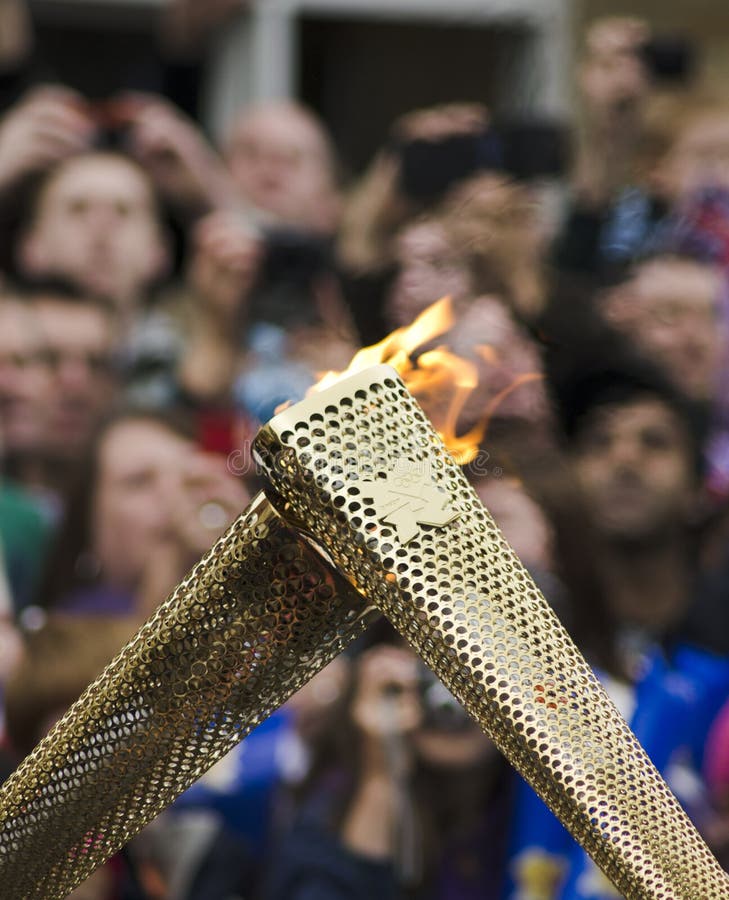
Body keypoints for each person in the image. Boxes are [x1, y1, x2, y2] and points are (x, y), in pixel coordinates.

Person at [506, 355, 729, 899]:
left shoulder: (724, 642)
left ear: (700, 488)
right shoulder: (524, 633)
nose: (624, 460)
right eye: (599, 444)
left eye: (654, 443)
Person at [266, 633, 511, 900]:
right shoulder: (333, 798)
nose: (450, 700)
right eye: (433, 670)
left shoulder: (543, 805)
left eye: (480, 674)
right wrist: (381, 776)